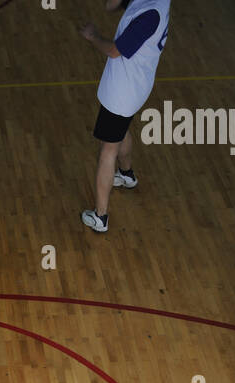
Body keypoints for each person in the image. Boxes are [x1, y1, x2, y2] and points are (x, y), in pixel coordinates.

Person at [78, 0, 171, 232]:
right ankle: (127, 174)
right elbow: (111, 6)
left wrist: (92, 36)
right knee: (121, 131)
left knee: (108, 150)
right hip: (136, 86)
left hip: (122, 91)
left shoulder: (149, 17)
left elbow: (114, 50)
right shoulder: (158, 2)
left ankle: (101, 216)